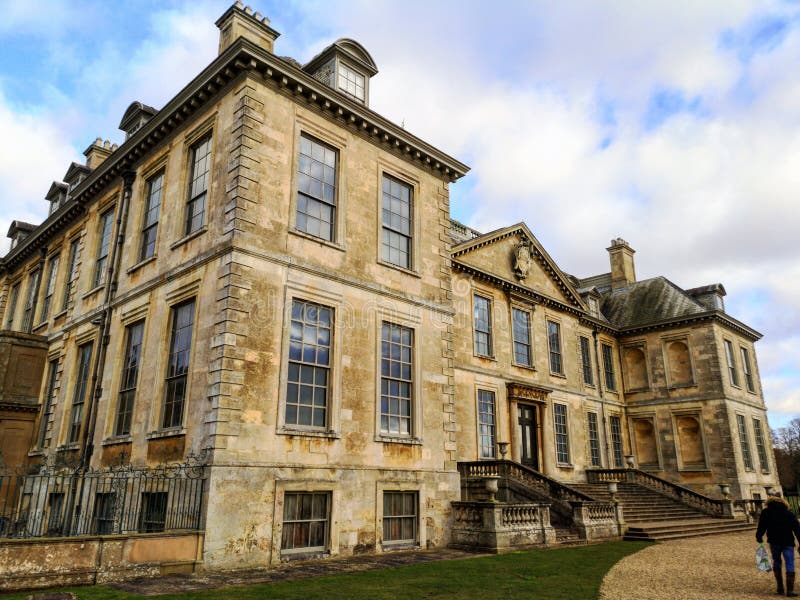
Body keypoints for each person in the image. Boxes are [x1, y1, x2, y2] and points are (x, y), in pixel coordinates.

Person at [756, 496, 800, 597]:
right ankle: (790, 590)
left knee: (777, 561)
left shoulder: (766, 512)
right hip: (788, 541)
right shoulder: (788, 512)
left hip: (774, 541)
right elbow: (797, 528)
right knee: (790, 563)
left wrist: (759, 536)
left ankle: (780, 588)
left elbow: (762, 525)